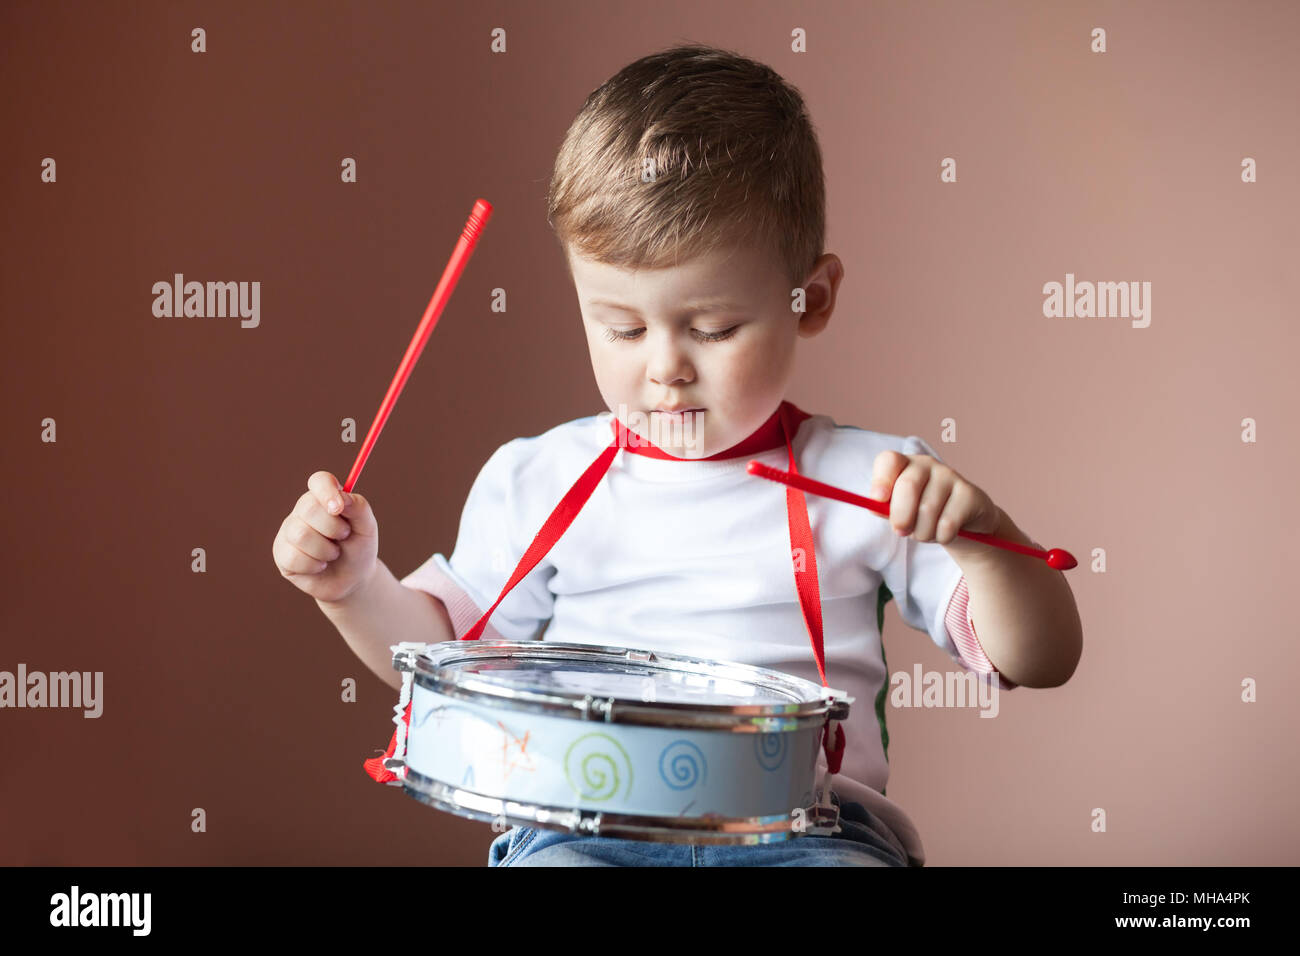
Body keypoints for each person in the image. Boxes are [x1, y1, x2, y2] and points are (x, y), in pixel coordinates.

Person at [271, 43, 1083, 867]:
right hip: (582, 826)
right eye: (622, 328)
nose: (664, 369)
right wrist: (353, 587)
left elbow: (1040, 661)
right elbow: (441, 654)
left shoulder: (876, 483)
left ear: (814, 297)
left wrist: (985, 541)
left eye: (713, 328)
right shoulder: (538, 481)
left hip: (807, 833)